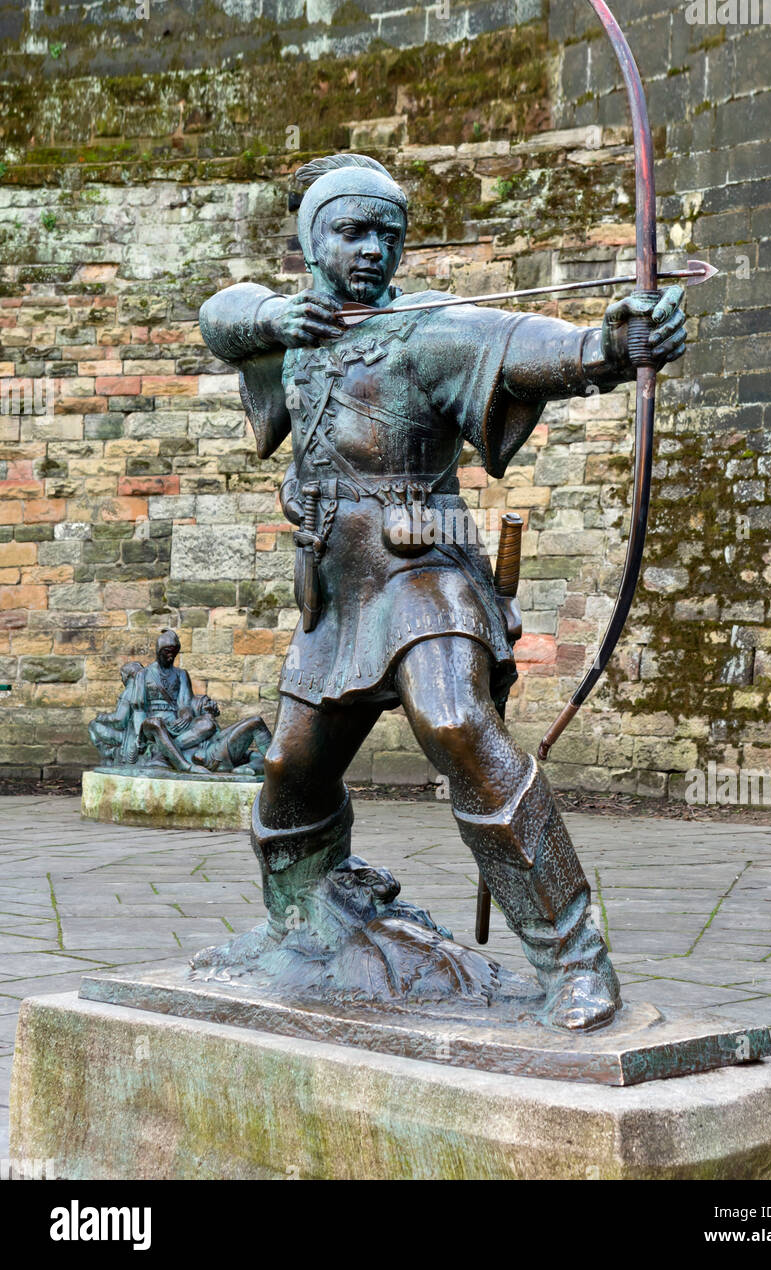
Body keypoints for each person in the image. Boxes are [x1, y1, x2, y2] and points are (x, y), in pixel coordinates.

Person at [198, 153, 687, 1030]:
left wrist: (612, 347)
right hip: (335, 588)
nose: (373, 250)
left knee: (457, 722)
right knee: (288, 773)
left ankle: (573, 957)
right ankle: (307, 923)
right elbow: (221, 315)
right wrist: (278, 313)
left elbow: (531, 346)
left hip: (423, 570)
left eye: (389, 234)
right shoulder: (290, 332)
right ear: (312, 241)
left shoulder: (425, 331)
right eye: (350, 231)